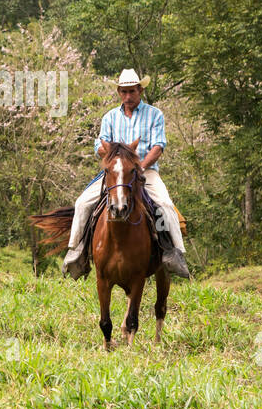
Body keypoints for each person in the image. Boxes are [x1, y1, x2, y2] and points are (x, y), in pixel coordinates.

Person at [62, 68, 191, 280]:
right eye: (123, 92)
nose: (127, 96)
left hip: (145, 171)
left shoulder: (155, 115)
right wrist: (112, 156)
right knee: (83, 203)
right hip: (115, 174)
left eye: (131, 91)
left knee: (165, 205)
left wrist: (138, 167)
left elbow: (158, 146)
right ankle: (77, 251)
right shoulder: (109, 117)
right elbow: (100, 144)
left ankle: (174, 252)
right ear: (119, 92)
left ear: (140, 90)